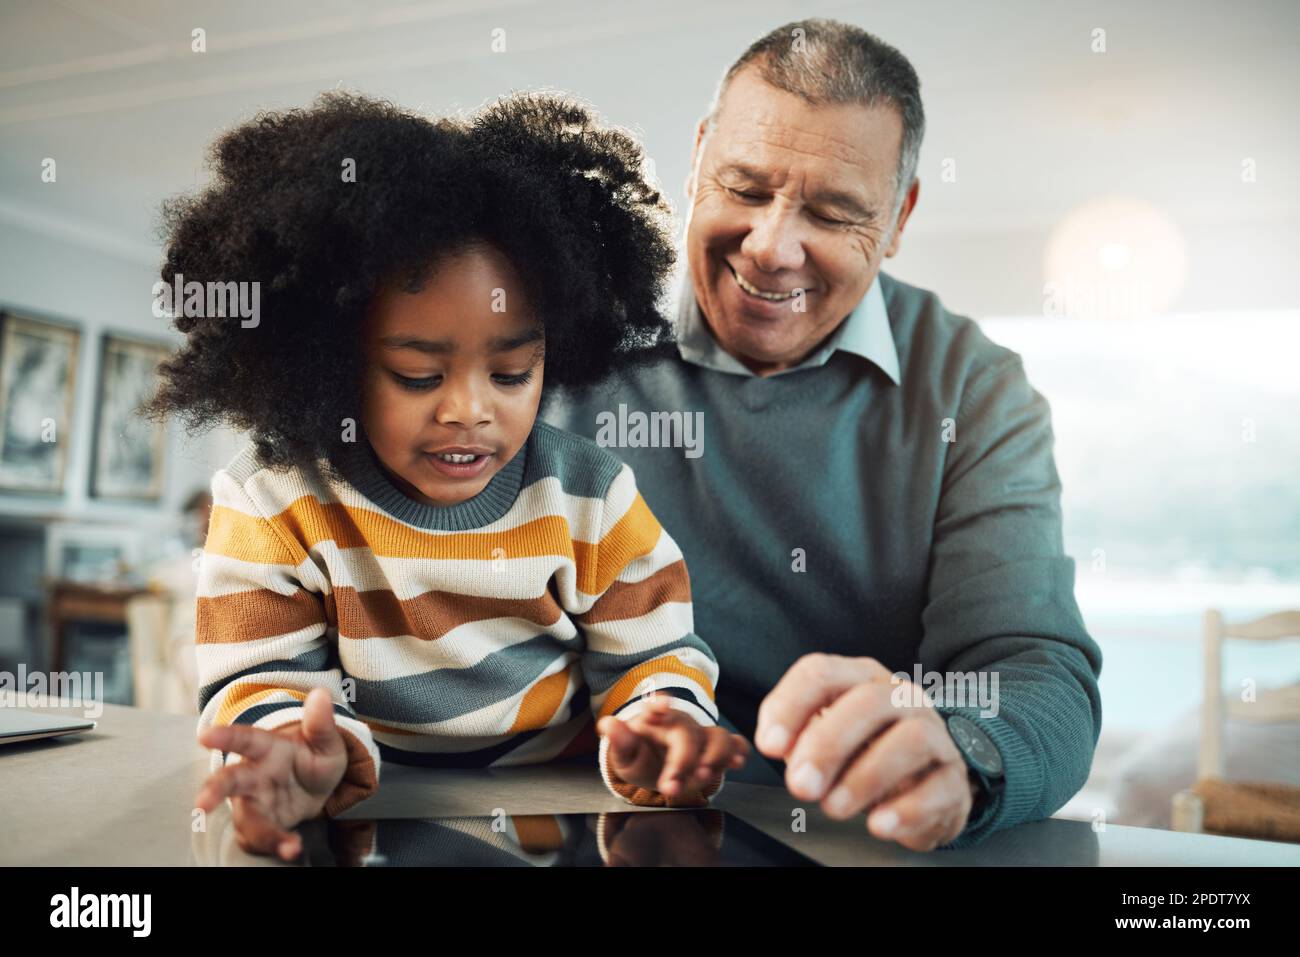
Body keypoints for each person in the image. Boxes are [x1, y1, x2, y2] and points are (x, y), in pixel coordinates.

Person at [544, 18, 1104, 851]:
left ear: (901, 212)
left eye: (836, 212)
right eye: (743, 186)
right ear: (697, 158)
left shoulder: (975, 387)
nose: (772, 248)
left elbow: (1035, 675)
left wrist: (961, 748)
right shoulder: (555, 333)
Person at [143, 92, 749, 861]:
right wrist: (288, 750)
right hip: (368, 813)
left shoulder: (591, 497)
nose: (468, 410)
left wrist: (663, 724)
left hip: (559, 823)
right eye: (418, 374)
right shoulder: (274, 501)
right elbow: (261, 678)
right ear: (331, 362)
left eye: (511, 371)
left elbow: (654, 658)